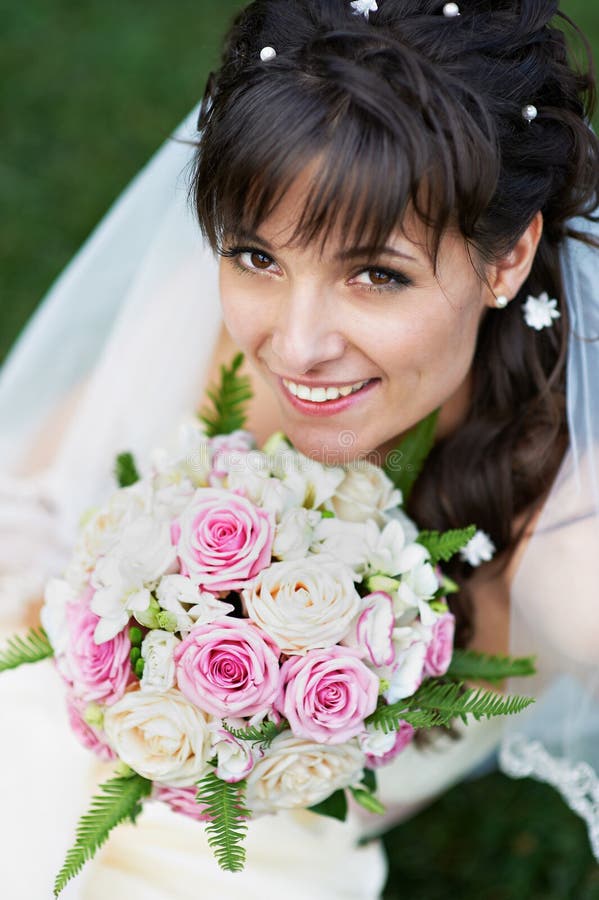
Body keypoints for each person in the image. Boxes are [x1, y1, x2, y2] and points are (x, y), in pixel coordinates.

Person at [0, 0, 598, 896]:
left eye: (376, 275)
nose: (294, 342)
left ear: (506, 258)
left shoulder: (565, 547)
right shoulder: (222, 327)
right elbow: (33, 494)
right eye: (254, 256)